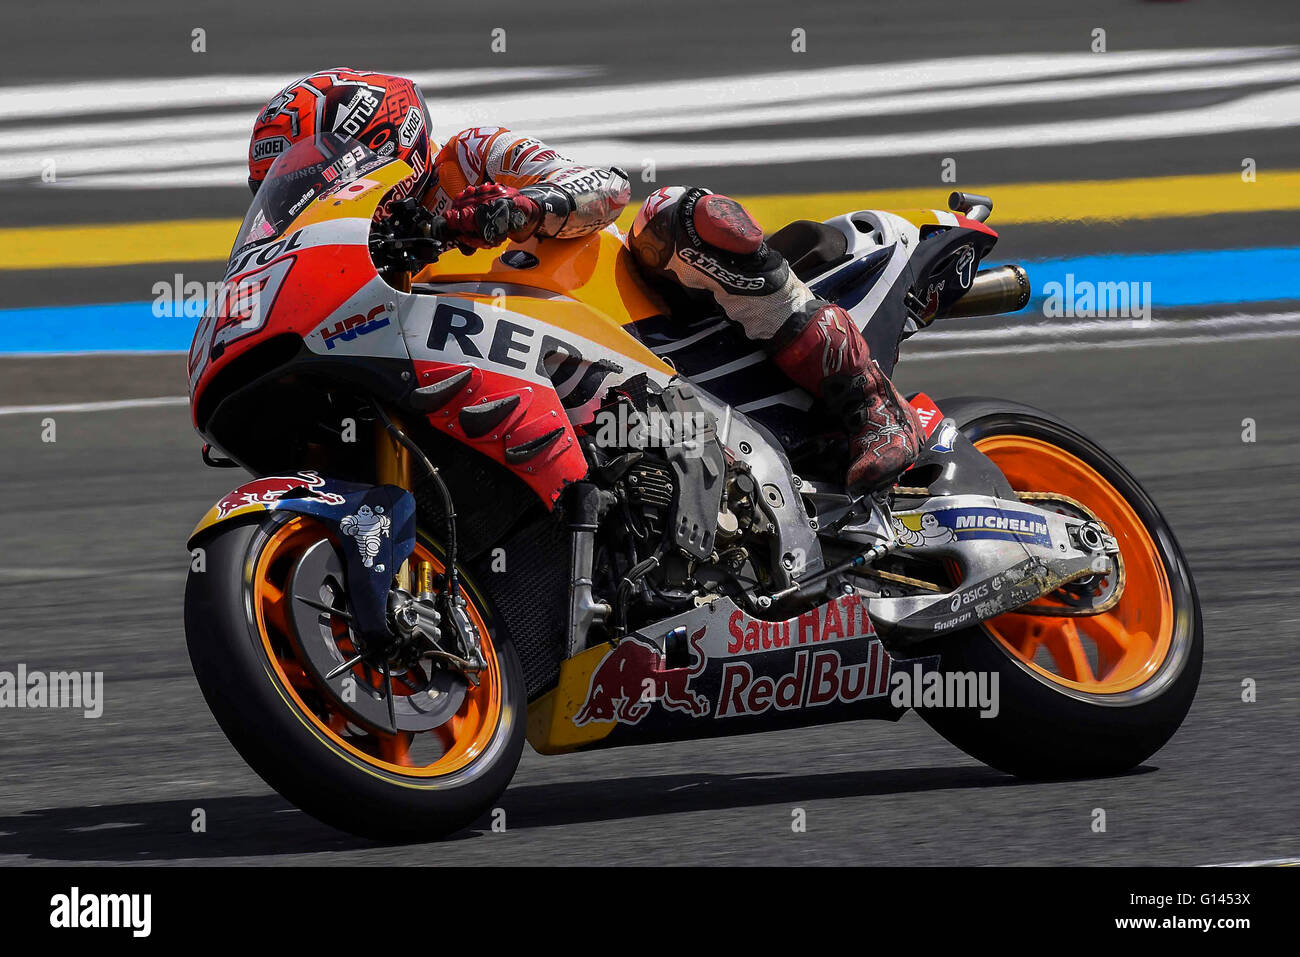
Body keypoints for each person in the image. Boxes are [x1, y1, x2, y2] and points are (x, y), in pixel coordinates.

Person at [248, 68, 922, 493]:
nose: (310, 188)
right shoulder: (362, 268)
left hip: (652, 325)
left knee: (679, 215)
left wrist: (517, 207)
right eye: (285, 183)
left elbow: (605, 187)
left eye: (319, 164)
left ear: (379, 139)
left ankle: (869, 403)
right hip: (547, 396)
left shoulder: (470, 155)